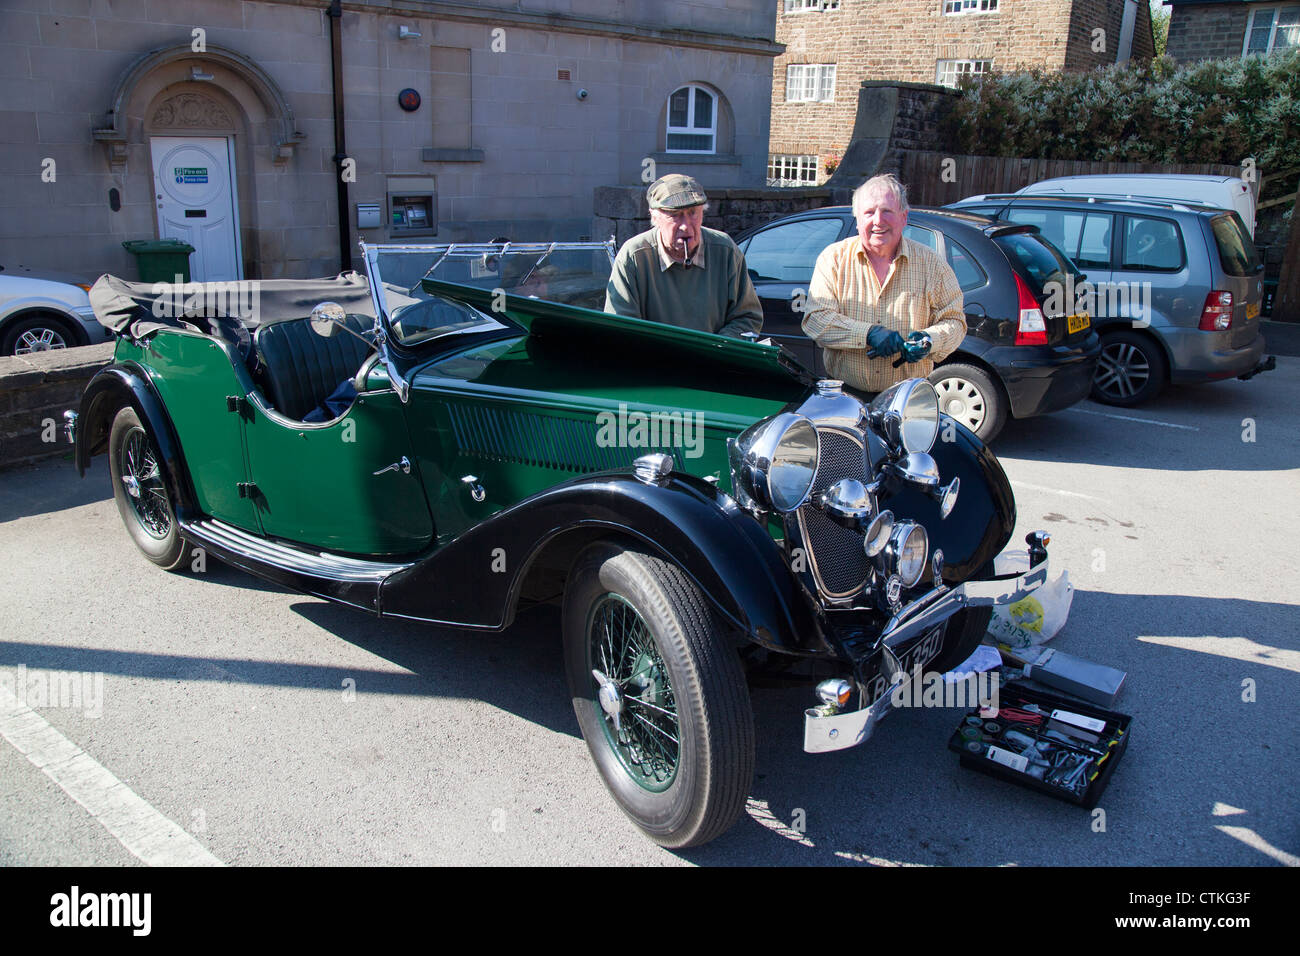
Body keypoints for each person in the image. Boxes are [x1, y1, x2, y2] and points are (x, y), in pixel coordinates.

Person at [801, 173, 965, 394]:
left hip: (908, 398)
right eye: (869, 212)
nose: (878, 220)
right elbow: (816, 320)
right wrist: (868, 334)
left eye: (887, 211)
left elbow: (955, 321)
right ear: (857, 220)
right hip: (844, 395)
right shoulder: (833, 259)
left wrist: (929, 340)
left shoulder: (932, 265)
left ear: (904, 217)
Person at [604, 174, 762, 339]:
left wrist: (715, 350)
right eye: (675, 215)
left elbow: (748, 317)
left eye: (693, 213)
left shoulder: (725, 250)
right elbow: (621, 328)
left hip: (713, 361)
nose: (686, 226)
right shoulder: (634, 257)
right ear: (655, 217)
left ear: (703, 213)